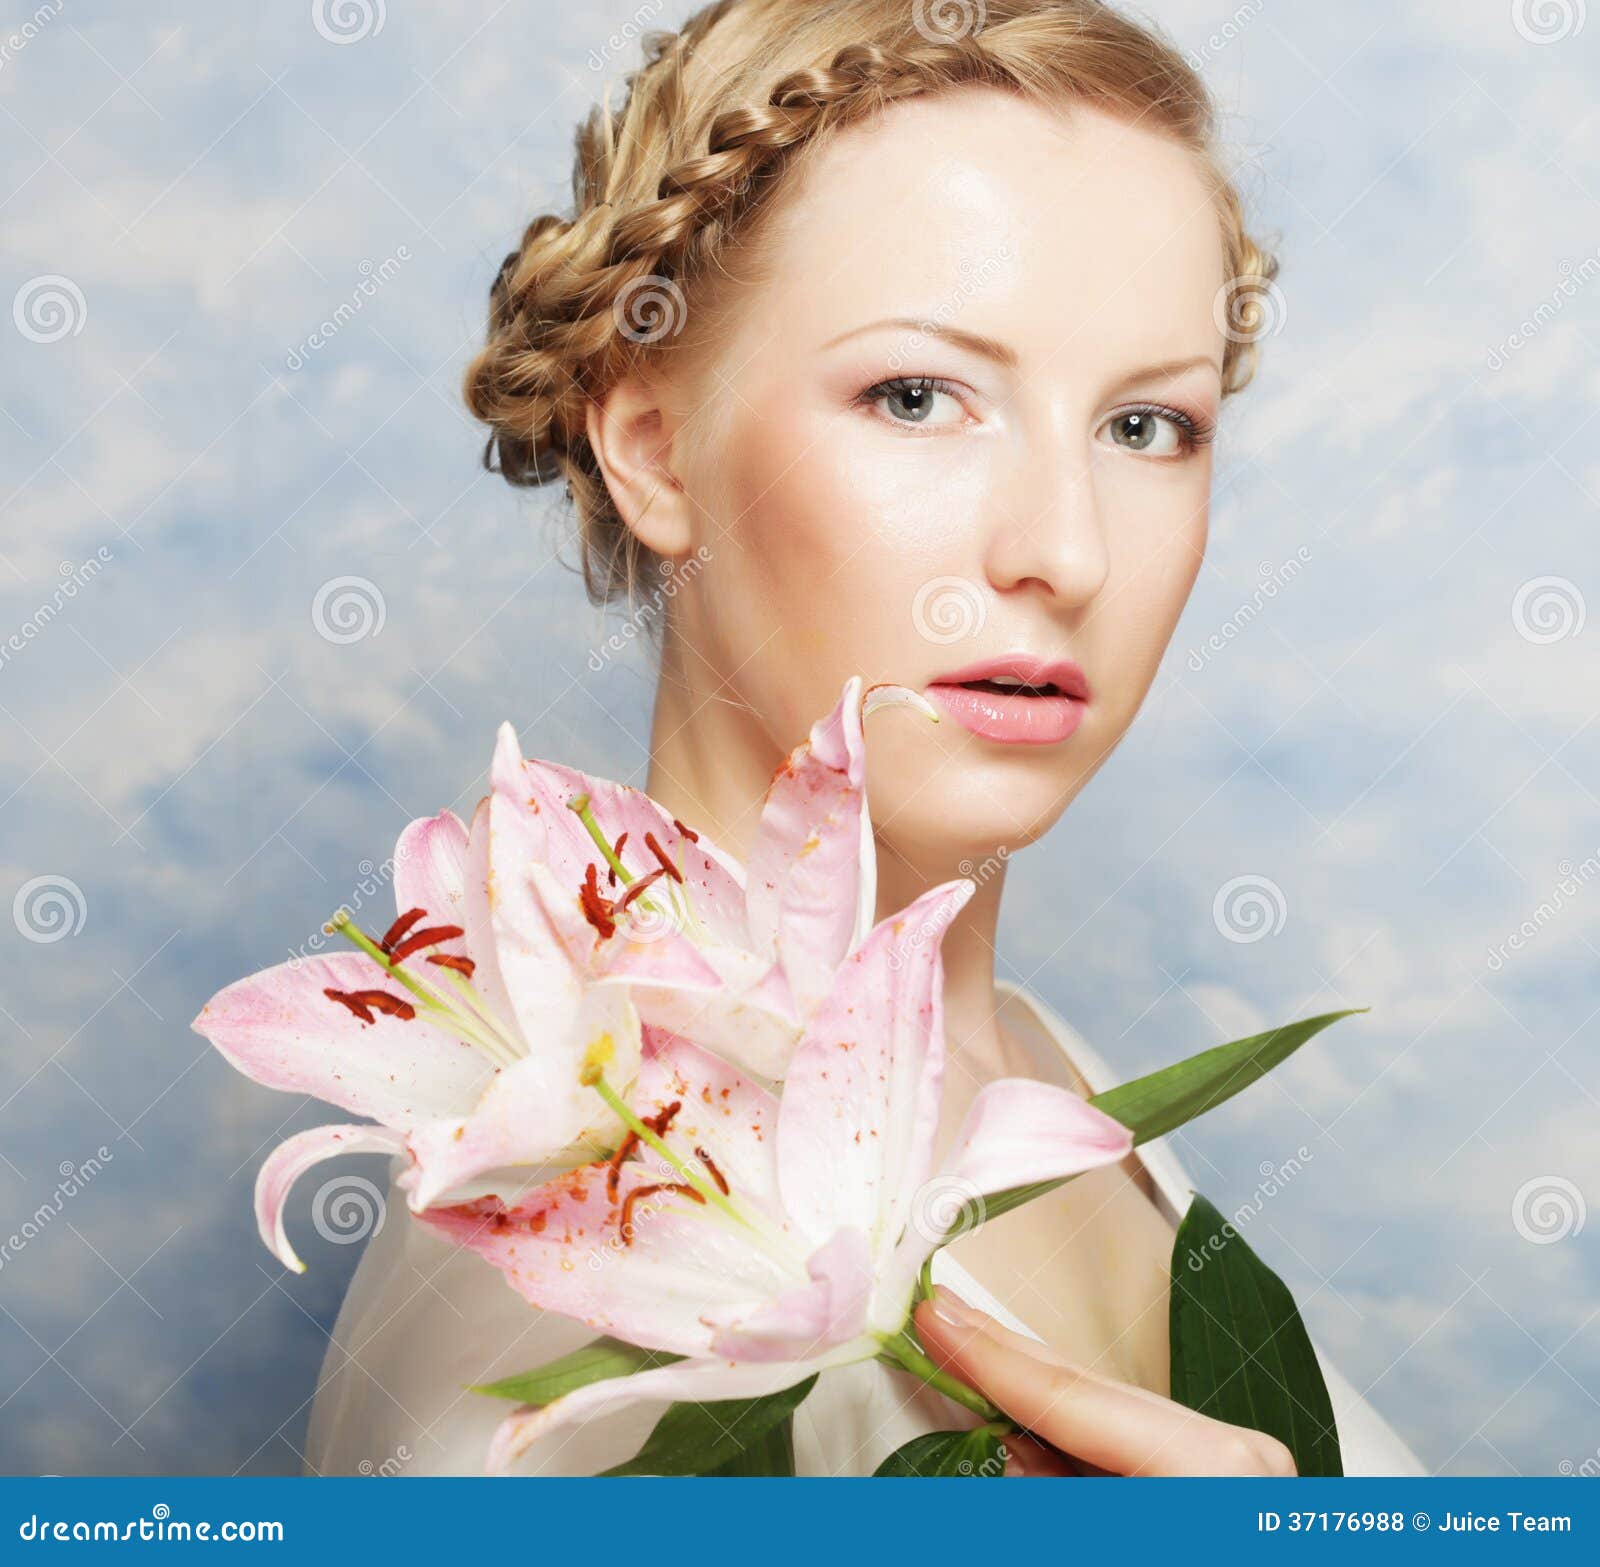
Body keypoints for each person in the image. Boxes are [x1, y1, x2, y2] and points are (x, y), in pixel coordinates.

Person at [304, 0, 1424, 1477]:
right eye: (917, 396)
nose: (1066, 552)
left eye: (1148, 426)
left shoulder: (1024, 1061)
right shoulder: (597, 1239)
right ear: (650, 446)